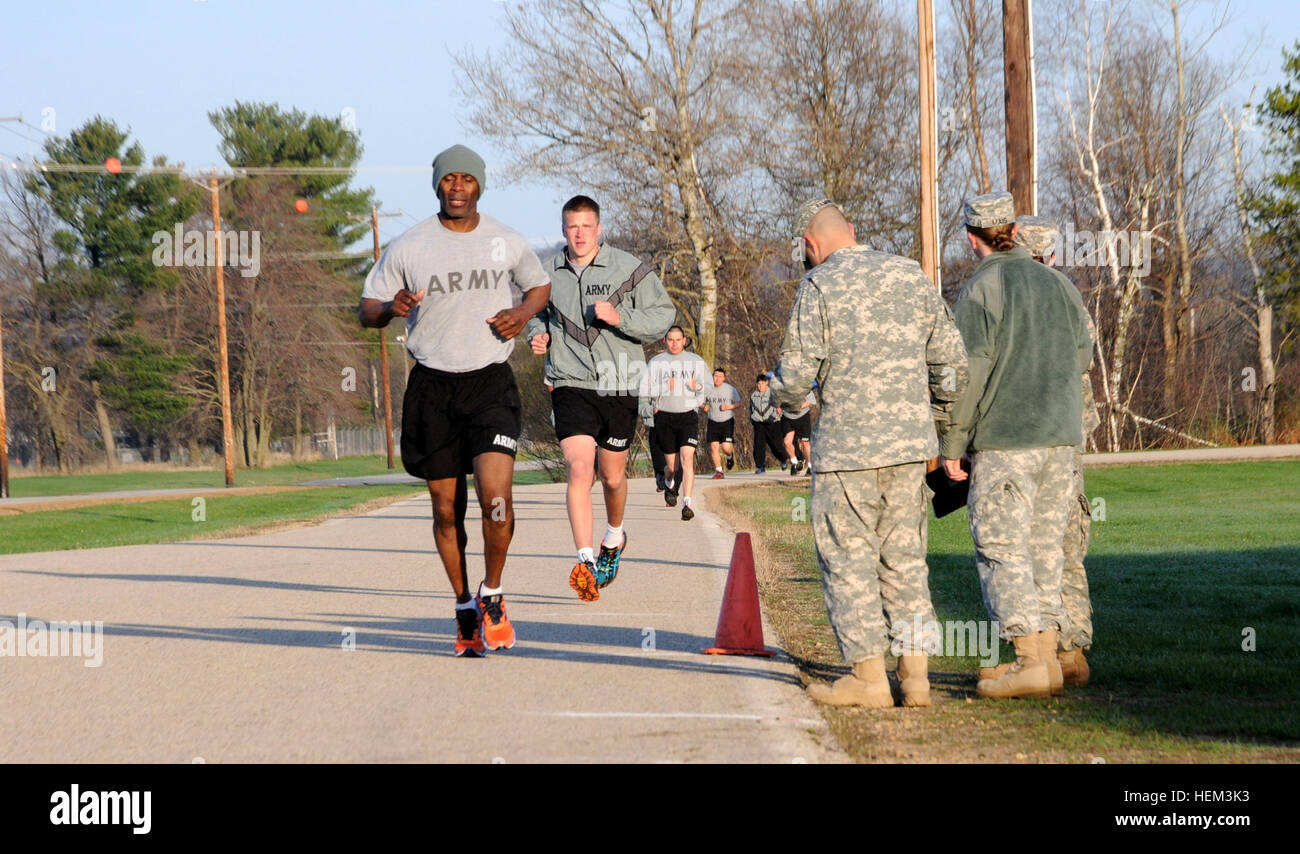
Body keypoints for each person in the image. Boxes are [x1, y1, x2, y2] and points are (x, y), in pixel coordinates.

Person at [772, 199, 968, 708]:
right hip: (910, 450)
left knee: (849, 559)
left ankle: (867, 678)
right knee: (905, 559)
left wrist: (789, 403)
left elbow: (793, 379)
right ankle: (918, 678)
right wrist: (942, 426)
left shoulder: (817, 286)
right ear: (853, 231)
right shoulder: (910, 275)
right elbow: (951, 365)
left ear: (811, 246)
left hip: (846, 453)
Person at [359, 144, 550, 656]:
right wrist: (389, 308)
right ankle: (464, 605)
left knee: (497, 499)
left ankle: (493, 593)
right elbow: (367, 308)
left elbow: (539, 284)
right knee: (447, 511)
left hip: (490, 382)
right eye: (449, 180)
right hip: (433, 387)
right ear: (438, 185)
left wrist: (523, 314)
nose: (458, 187)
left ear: (479, 185)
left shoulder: (504, 239)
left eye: (467, 179)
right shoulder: (409, 245)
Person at [939, 193, 1093, 700]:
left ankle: (1029, 660)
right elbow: (1082, 355)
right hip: (1062, 441)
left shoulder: (983, 287)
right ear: (1011, 228)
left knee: (1001, 547)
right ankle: (1050, 658)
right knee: (1046, 549)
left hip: (1007, 442)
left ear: (971, 236)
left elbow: (969, 373)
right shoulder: (1060, 285)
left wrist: (952, 443)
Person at [527, 195, 674, 602]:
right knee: (579, 468)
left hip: (618, 382)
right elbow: (534, 313)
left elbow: (664, 315)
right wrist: (535, 335)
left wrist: (619, 317)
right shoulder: (545, 274)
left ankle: (614, 536)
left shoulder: (629, 268)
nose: (579, 234)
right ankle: (586, 560)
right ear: (563, 230)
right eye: (572, 226)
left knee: (612, 476)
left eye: (586, 226)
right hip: (569, 381)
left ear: (599, 229)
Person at [1012, 215, 1099, 686]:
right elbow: (1085, 353)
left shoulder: (1020, 291)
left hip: (1034, 433)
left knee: (1034, 543)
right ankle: (1072, 651)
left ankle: (1042, 654)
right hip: (1070, 434)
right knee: (1067, 545)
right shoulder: (1067, 293)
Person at [645, 326, 710, 521]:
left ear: (684, 340)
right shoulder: (656, 362)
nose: (675, 343)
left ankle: (687, 503)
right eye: (671, 340)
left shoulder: (695, 361)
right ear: (664, 341)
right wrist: (664, 387)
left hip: (688, 415)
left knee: (687, 459)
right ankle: (668, 480)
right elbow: (646, 389)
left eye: (678, 340)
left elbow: (708, 386)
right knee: (672, 467)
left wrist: (700, 391)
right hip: (665, 416)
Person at [702, 368, 742, 478]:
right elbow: (700, 402)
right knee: (714, 446)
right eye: (715, 376)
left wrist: (728, 407)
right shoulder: (708, 389)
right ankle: (719, 471)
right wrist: (704, 406)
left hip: (727, 421)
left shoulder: (730, 389)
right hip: (713, 421)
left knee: (725, 448)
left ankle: (729, 456)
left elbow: (739, 403)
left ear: (724, 378)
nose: (717, 378)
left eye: (720, 376)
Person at [748, 373, 789, 474]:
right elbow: (751, 408)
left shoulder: (773, 393)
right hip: (759, 423)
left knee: (776, 445)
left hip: (772, 422)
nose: (760, 386)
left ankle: (783, 459)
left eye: (762, 383)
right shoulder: (753, 395)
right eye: (758, 384)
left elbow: (780, 405)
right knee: (758, 445)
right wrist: (752, 419)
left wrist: (778, 412)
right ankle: (760, 466)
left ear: (767, 383)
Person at [781, 390, 816, 475]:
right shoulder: (782, 386)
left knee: (805, 443)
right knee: (787, 442)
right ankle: (795, 462)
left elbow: (812, 401)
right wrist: (778, 407)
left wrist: (801, 406)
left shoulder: (803, 385)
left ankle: (810, 466)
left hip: (802, 417)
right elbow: (776, 400)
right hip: (787, 417)